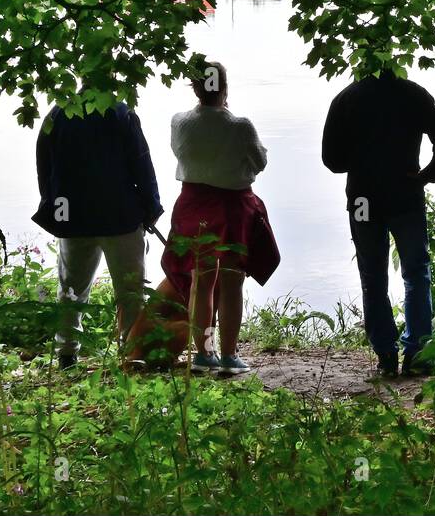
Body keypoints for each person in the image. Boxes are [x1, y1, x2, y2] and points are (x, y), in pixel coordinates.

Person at [126, 61, 278, 376]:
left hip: (192, 205)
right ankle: (229, 355)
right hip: (232, 208)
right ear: (224, 88)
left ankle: (205, 353)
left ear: (195, 89)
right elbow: (260, 161)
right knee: (232, 281)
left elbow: (179, 152)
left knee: (201, 282)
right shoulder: (240, 126)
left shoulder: (180, 122)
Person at [322, 70, 435, 377]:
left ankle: (385, 355)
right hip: (405, 194)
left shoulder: (346, 99)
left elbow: (331, 160)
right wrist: (428, 174)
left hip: (362, 199)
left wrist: (359, 160)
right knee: (416, 272)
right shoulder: (412, 94)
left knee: (372, 276)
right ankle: (418, 352)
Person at [32, 99, 162, 369]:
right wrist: (152, 207)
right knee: (130, 290)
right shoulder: (121, 112)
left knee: (70, 288)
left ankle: (66, 353)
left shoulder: (57, 114)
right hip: (121, 217)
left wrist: (53, 205)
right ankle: (131, 352)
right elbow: (142, 162)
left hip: (73, 218)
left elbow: (43, 165)